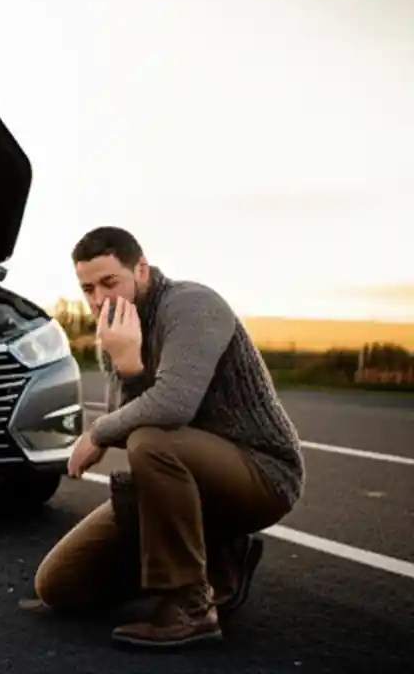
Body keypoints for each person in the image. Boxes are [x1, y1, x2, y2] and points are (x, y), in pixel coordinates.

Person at [30, 226, 305, 648]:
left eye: (110, 282)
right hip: (182, 477)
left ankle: (190, 604)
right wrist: (126, 364)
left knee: (151, 444)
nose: (99, 299)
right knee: (58, 587)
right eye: (88, 289)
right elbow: (128, 421)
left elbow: (172, 407)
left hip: (261, 474)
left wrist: (98, 432)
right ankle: (219, 555)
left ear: (140, 269)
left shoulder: (193, 305)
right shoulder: (116, 329)